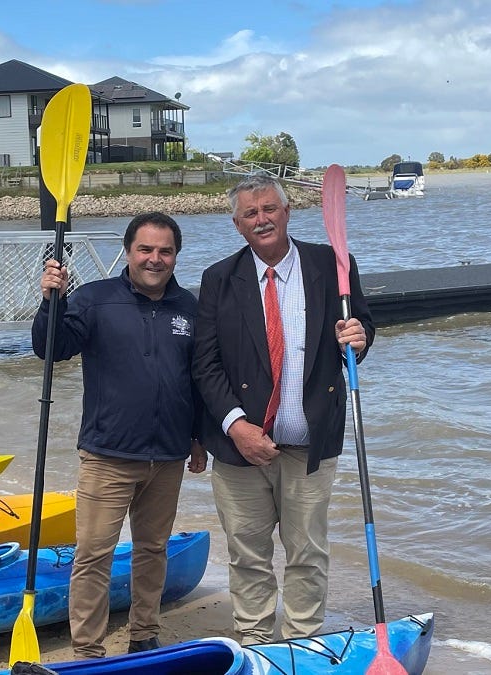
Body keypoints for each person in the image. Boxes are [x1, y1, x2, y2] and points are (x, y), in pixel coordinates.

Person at [192, 174, 374, 645]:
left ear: (288, 211)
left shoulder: (333, 265)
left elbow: (360, 335)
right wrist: (236, 427)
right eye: (250, 214)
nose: (262, 219)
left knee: (307, 552)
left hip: (310, 444)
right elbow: (204, 364)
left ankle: (302, 642)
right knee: (248, 553)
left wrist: (359, 338)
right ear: (237, 225)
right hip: (239, 449)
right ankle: (255, 642)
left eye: (269, 209)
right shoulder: (218, 279)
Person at [32, 211, 207, 659]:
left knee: (153, 549)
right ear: (128, 252)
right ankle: (87, 649)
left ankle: (144, 633)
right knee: (93, 555)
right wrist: (51, 300)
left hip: (167, 457)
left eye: (165, 251)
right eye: (145, 249)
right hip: (107, 455)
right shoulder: (93, 299)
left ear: (176, 255)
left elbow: (198, 379)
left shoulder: (189, 307)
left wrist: (198, 437)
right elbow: (51, 349)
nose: (155, 259)